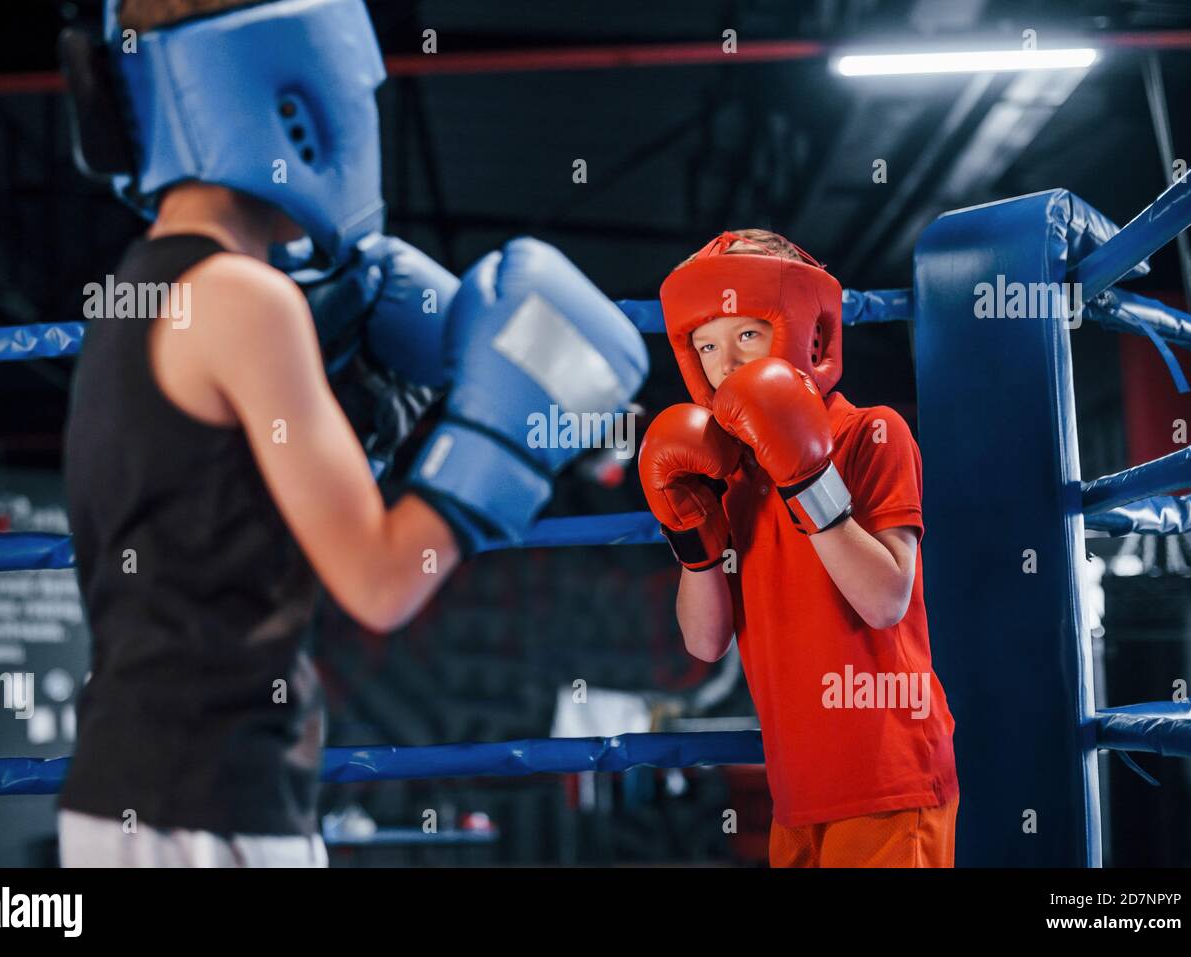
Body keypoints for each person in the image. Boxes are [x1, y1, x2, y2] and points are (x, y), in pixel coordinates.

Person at [56, 0, 647, 867]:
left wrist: (380, 430)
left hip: (146, 789)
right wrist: (496, 444)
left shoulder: (145, 293)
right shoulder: (246, 301)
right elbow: (380, 581)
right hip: (206, 806)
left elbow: (211, 536)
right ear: (295, 86)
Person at [639, 229, 958, 867]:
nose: (726, 364)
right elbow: (705, 642)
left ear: (807, 335)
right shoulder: (721, 475)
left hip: (887, 776)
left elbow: (886, 599)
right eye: (707, 345)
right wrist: (690, 536)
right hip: (797, 790)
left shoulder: (871, 432)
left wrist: (808, 479)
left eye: (747, 335)